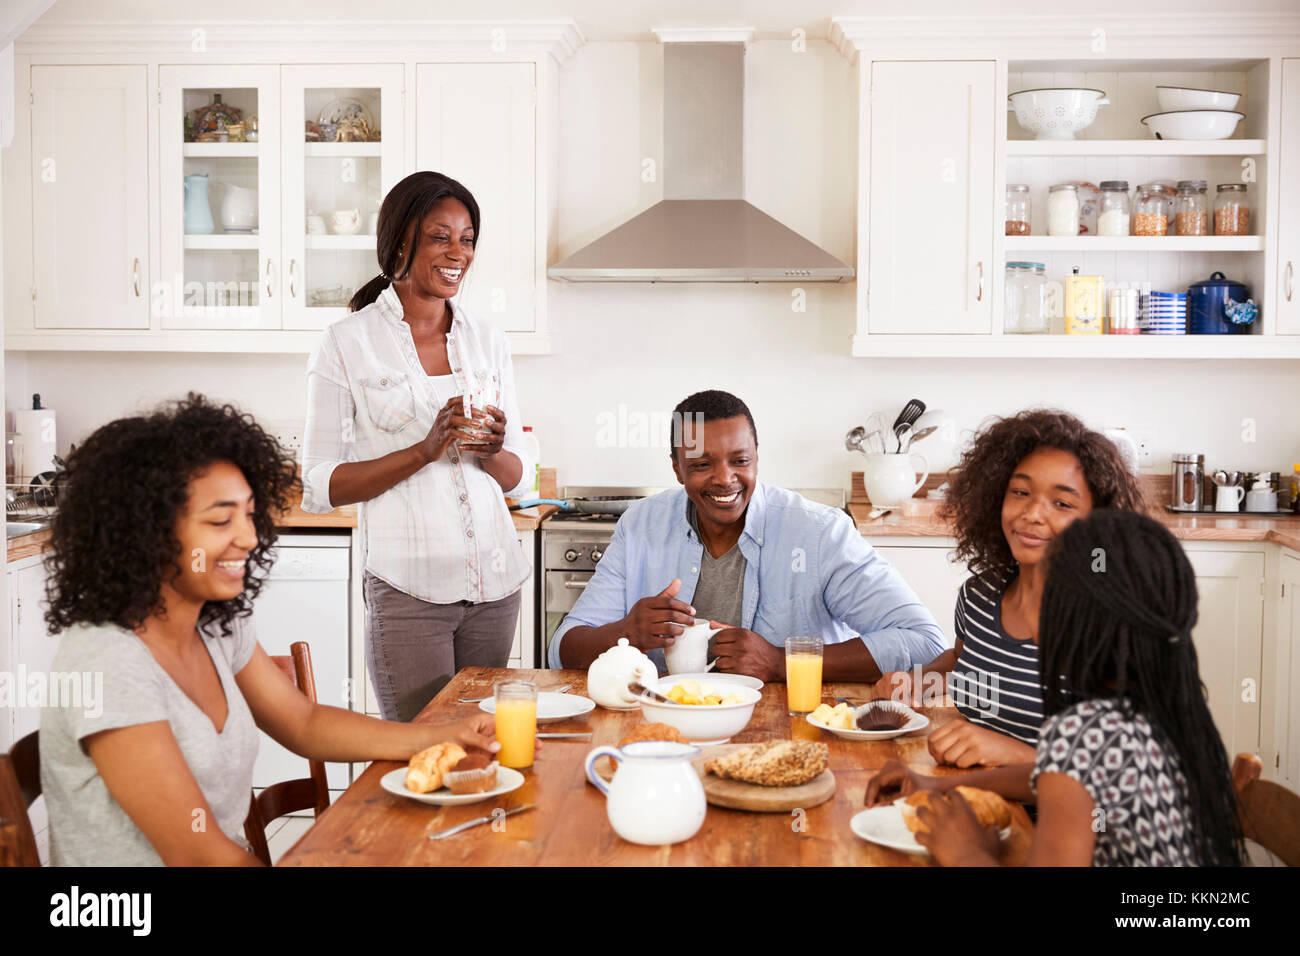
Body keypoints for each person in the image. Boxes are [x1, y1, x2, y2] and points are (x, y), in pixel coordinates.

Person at [39, 395, 500, 866]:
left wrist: (444, 735)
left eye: (249, 513)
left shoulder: (215, 623)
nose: (250, 536)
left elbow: (303, 723)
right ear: (144, 532)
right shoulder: (109, 661)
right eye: (221, 520)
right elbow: (197, 854)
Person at [864, 509, 1245, 867]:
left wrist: (969, 855)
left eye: (1039, 587)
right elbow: (1053, 775)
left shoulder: (1084, 730)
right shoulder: (1160, 708)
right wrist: (935, 785)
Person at [301, 171, 534, 721]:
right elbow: (319, 484)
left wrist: (495, 449)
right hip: (408, 591)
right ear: (401, 241)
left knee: (482, 747)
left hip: (495, 591)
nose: (459, 252)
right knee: (414, 756)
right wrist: (424, 449)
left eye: (468, 238)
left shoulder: (489, 341)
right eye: (440, 236)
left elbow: (519, 477)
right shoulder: (346, 344)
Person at [549, 390, 946, 681]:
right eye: (702, 464)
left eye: (741, 460)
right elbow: (561, 650)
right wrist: (625, 634)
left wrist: (781, 662)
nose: (725, 479)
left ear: (757, 454)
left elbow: (924, 643)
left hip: (788, 730)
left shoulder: (818, 533)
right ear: (676, 468)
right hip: (662, 729)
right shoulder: (641, 525)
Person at [870, 409, 1144, 767]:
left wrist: (1007, 753)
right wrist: (916, 682)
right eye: (1020, 492)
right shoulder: (978, 597)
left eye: (1061, 503)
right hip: (974, 801)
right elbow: (963, 662)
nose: (1032, 513)